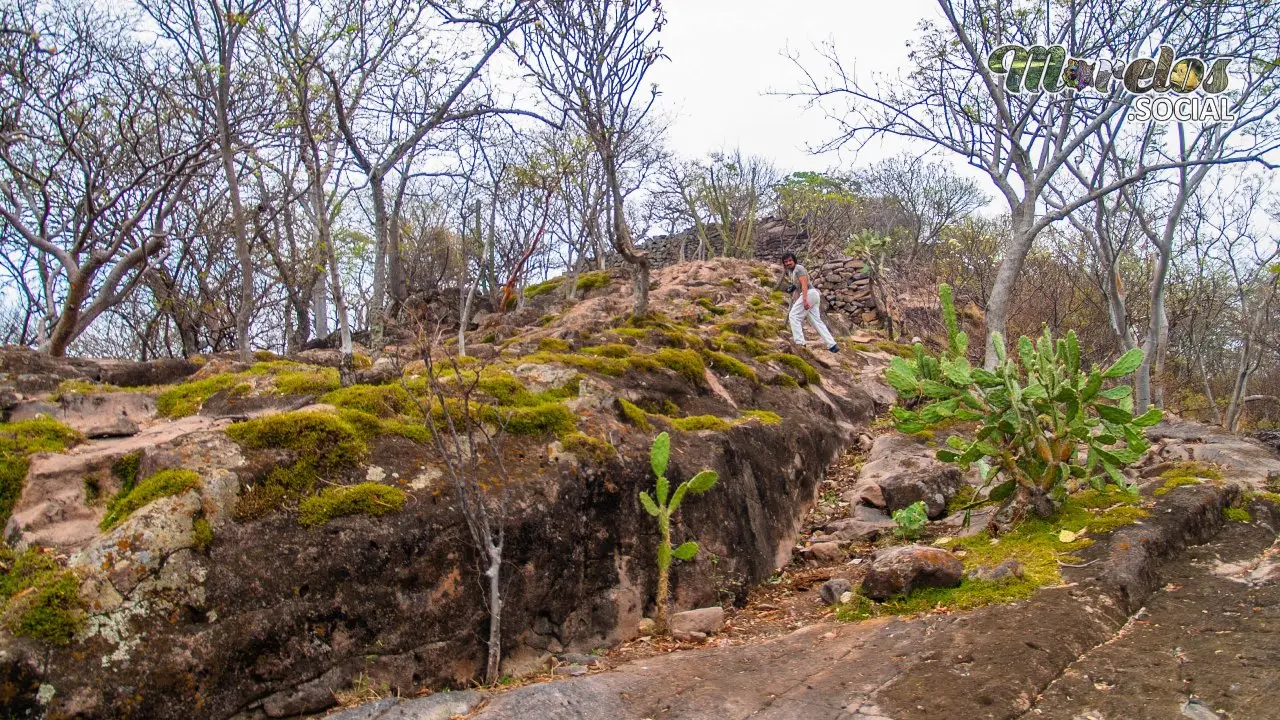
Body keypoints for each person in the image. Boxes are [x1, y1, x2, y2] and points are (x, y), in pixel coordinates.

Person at [779, 252, 838, 352]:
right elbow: (797, 289)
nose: (788, 263)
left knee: (793, 315)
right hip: (811, 295)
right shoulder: (791, 273)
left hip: (809, 294)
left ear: (794, 260)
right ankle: (832, 345)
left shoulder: (799, 268)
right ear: (784, 264)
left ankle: (800, 343)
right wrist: (796, 296)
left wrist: (805, 300)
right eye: (786, 262)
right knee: (815, 320)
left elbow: (804, 284)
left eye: (790, 260)